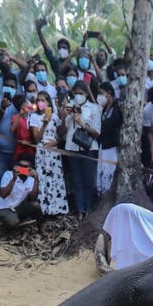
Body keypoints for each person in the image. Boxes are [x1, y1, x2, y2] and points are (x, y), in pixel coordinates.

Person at [64, 79, 101, 220]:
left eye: (81, 93)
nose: (78, 96)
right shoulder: (69, 106)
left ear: (86, 93)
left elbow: (97, 132)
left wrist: (82, 122)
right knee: (77, 180)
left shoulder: (94, 108)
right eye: (76, 93)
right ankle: (80, 210)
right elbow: (64, 128)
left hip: (89, 147)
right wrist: (67, 114)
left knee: (89, 180)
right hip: (72, 146)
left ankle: (89, 208)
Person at [30, 91, 69, 216]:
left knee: (55, 178)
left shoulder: (55, 117)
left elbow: (61, 134)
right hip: (41, 150)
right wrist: (45, 123)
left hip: (53, 151)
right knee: (42, 178)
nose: (41, 102)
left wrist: (63, 118)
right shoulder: (35, 117)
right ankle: (44, 209)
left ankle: (57, 209)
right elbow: (36, 138)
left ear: (48, 102)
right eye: (39, 100)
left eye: (43, 100)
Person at [0, 153, 42, 227]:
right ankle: (3, 223)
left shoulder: (31, 179)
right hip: (5, 208)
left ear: (31, 168)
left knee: (36, 205)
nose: (23, 169)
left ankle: (40, 228)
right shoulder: (8, 174)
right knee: (13, 222)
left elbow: (33, 198)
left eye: (26, 167)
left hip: (19, 208)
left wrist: (36, 180)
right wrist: (14, 179)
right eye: (21, 166)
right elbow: (3, 195)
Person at [96, 80, 123, 195]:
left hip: (113, 147)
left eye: (101, 93)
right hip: (103, 146)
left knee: (110, 172)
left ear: (109, 93)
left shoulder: (117, 108)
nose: (100, 96)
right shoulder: (102, 110)